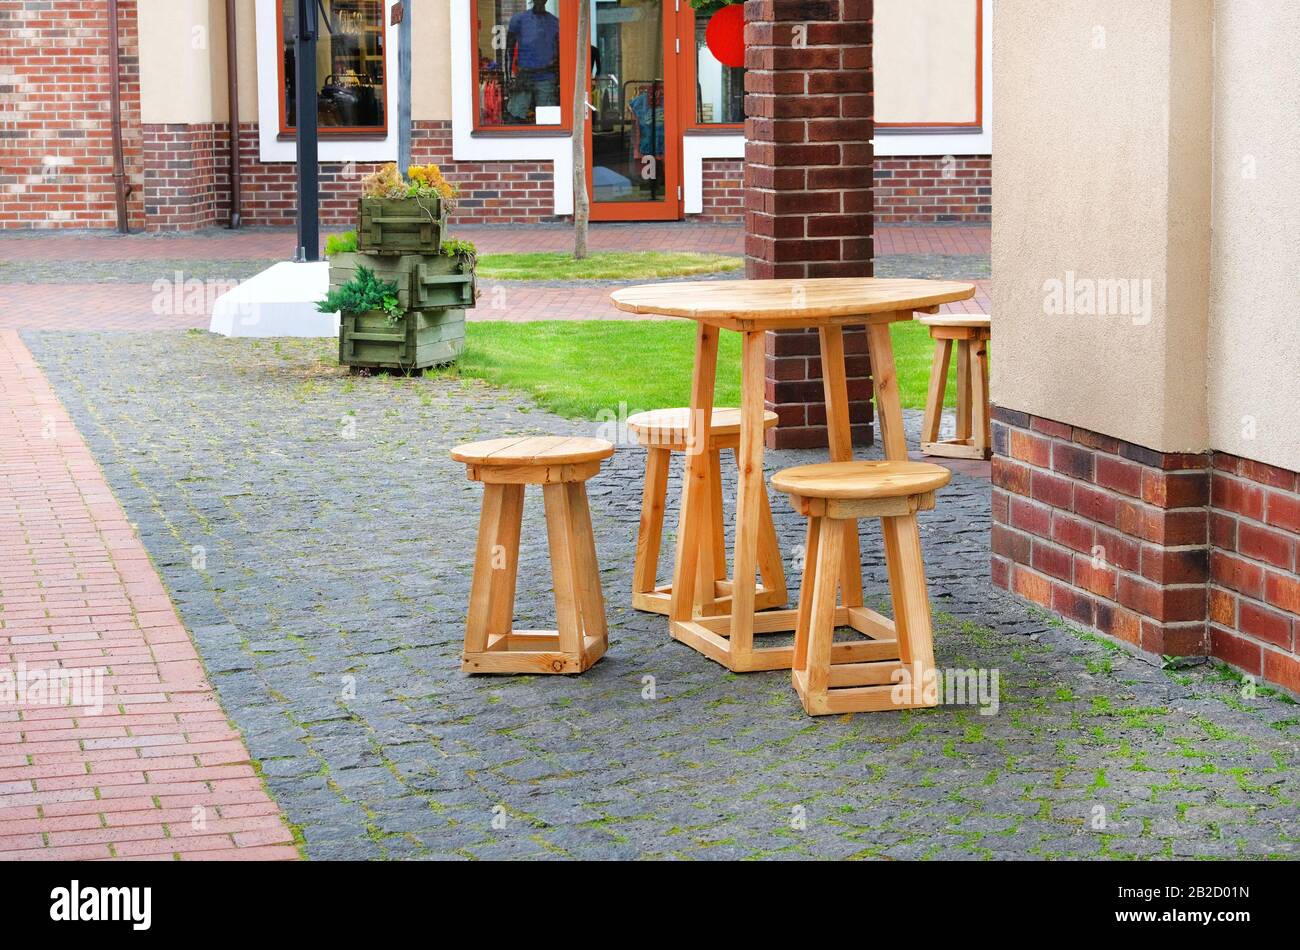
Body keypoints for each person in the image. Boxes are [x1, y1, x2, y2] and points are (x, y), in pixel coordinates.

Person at [505, 0, 560, 124]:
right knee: (515, 118)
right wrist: (508, 78)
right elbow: (509, 50)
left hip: (546, 77)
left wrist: (558, 78)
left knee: (548, 121)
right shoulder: (518, 20)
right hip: (525, 76)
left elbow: (560, 55)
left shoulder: (555, 23)